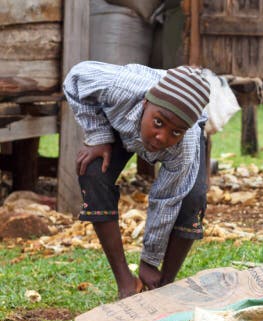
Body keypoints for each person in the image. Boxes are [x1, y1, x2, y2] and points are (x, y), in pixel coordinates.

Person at [63, 61, 211, 299]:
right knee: (93, 171)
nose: (161, 137)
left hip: (180, 129)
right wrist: (98, 135)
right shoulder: (119, 88)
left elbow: (166, 199)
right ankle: (126, 284)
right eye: (158, 123)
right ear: (145, 104)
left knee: (191, 198)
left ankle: (163, 286)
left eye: (174, 132)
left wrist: (149, 261)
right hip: (123, 121)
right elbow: (75, 79)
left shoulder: (184, 143)